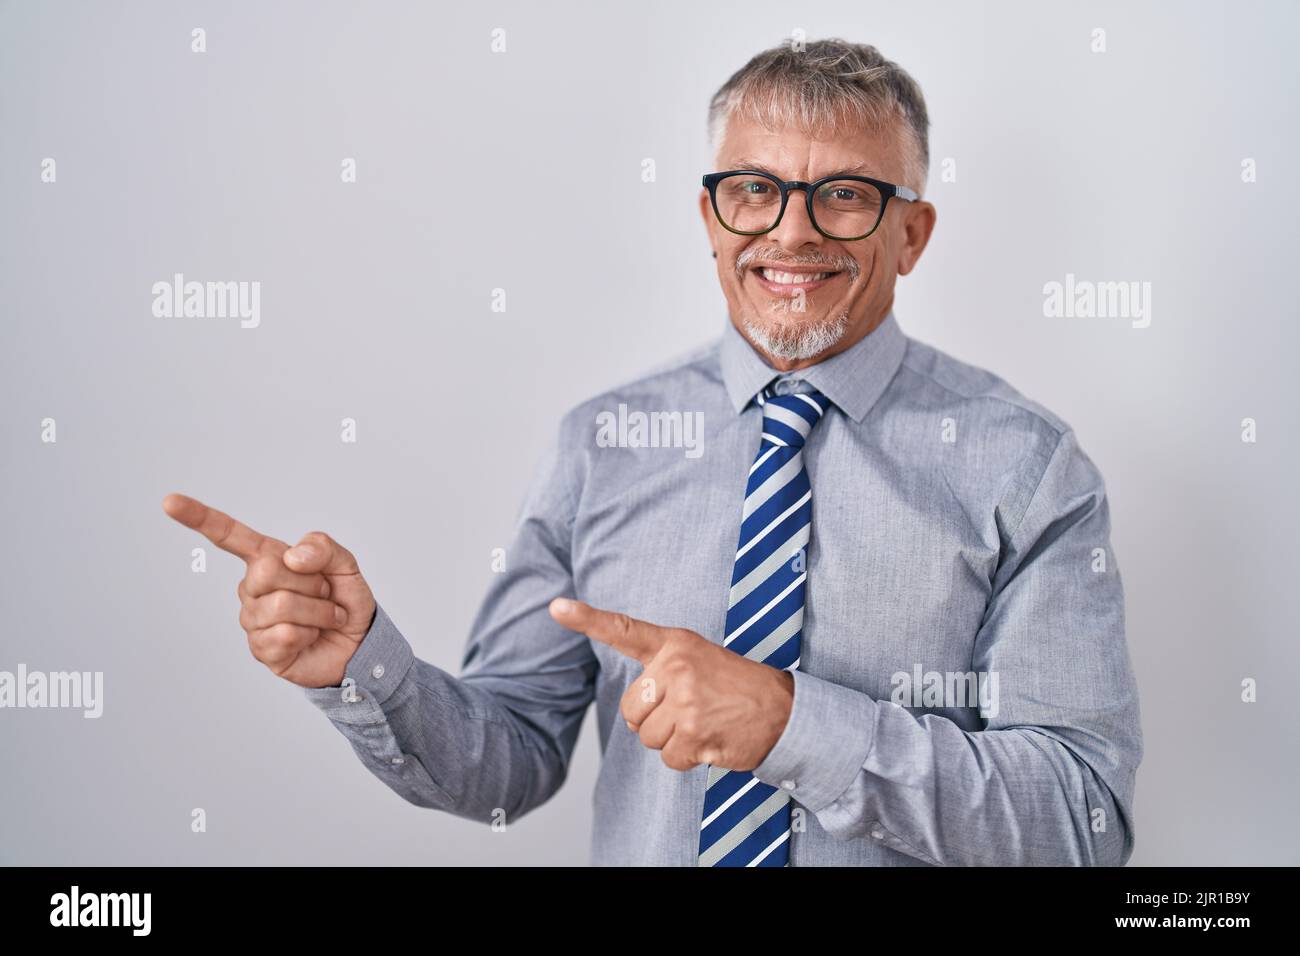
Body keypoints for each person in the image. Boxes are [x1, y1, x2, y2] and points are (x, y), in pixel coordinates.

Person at [163, 38, 1141, 867]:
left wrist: (788, 723)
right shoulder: (602, 444)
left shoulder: (1024, 465)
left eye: (842, 195)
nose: (790, 232)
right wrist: (363, 667)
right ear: (711, 216)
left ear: (912, 233)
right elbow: (508, 762)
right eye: (753, 190)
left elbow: (1081, 814)